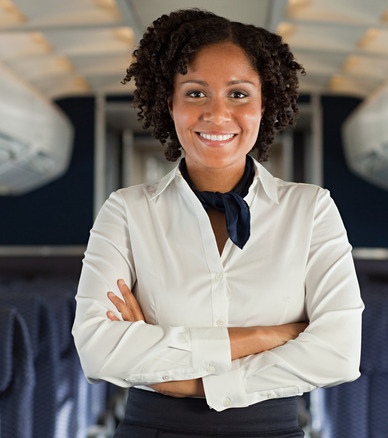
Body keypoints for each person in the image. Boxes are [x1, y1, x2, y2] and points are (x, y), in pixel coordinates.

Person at [72, 8, 364, 437]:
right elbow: (99, 351)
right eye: (195, 93)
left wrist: (182, 377)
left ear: (265, 103)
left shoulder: (312, 209)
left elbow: (337, 354)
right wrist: (269, 335)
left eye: (239, 94)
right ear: (168, 102)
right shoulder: (127, 211)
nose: (217, 113)